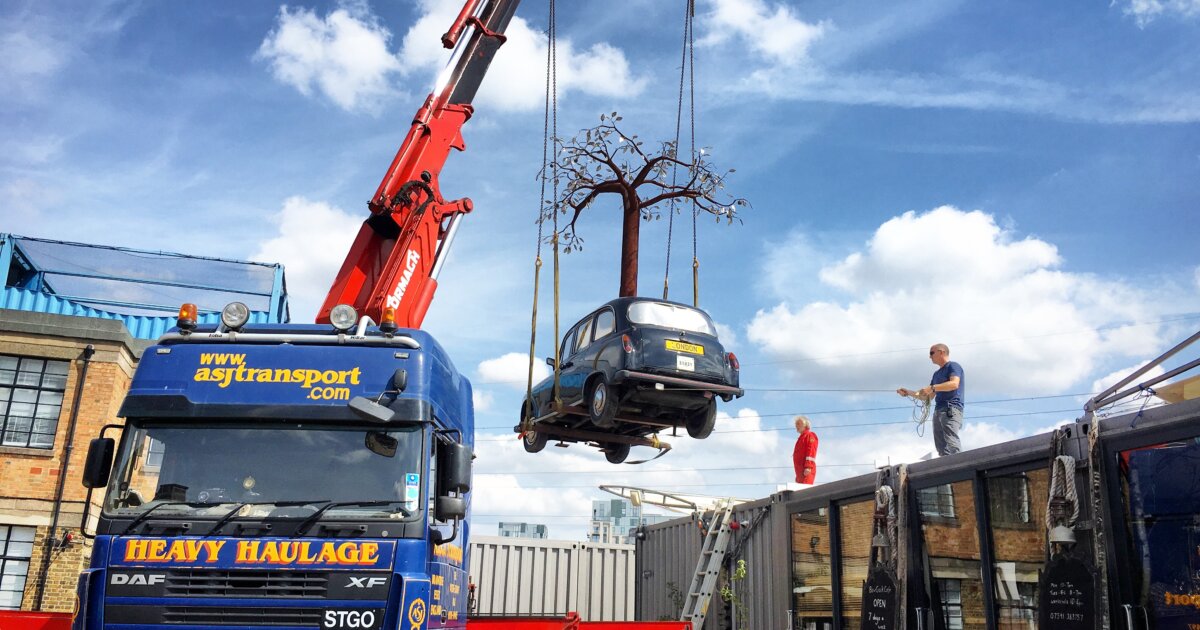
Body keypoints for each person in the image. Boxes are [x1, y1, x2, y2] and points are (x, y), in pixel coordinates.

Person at [897, 343, 964, 456]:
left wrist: (933, 387)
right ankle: (947, 470)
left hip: (950, 409)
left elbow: (954, 384)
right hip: (938, 411)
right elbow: (927, 396)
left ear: (941, 352)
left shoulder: (953, 366)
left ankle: (961, 466)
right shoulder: (936, 374)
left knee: (951, 440)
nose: (930, 356)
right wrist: (908, 392)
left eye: (932, 353)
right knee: (941, 447)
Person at [792, 416, 818, 484]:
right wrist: (798, 475)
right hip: (800, 473)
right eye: (796, 424)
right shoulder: (801, 438)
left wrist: (808, 467)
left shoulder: (810, 435)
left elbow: (811, 451)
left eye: (798, 424)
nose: (796, 426)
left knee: (806, 492)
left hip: (806, 471)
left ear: (805, 424)